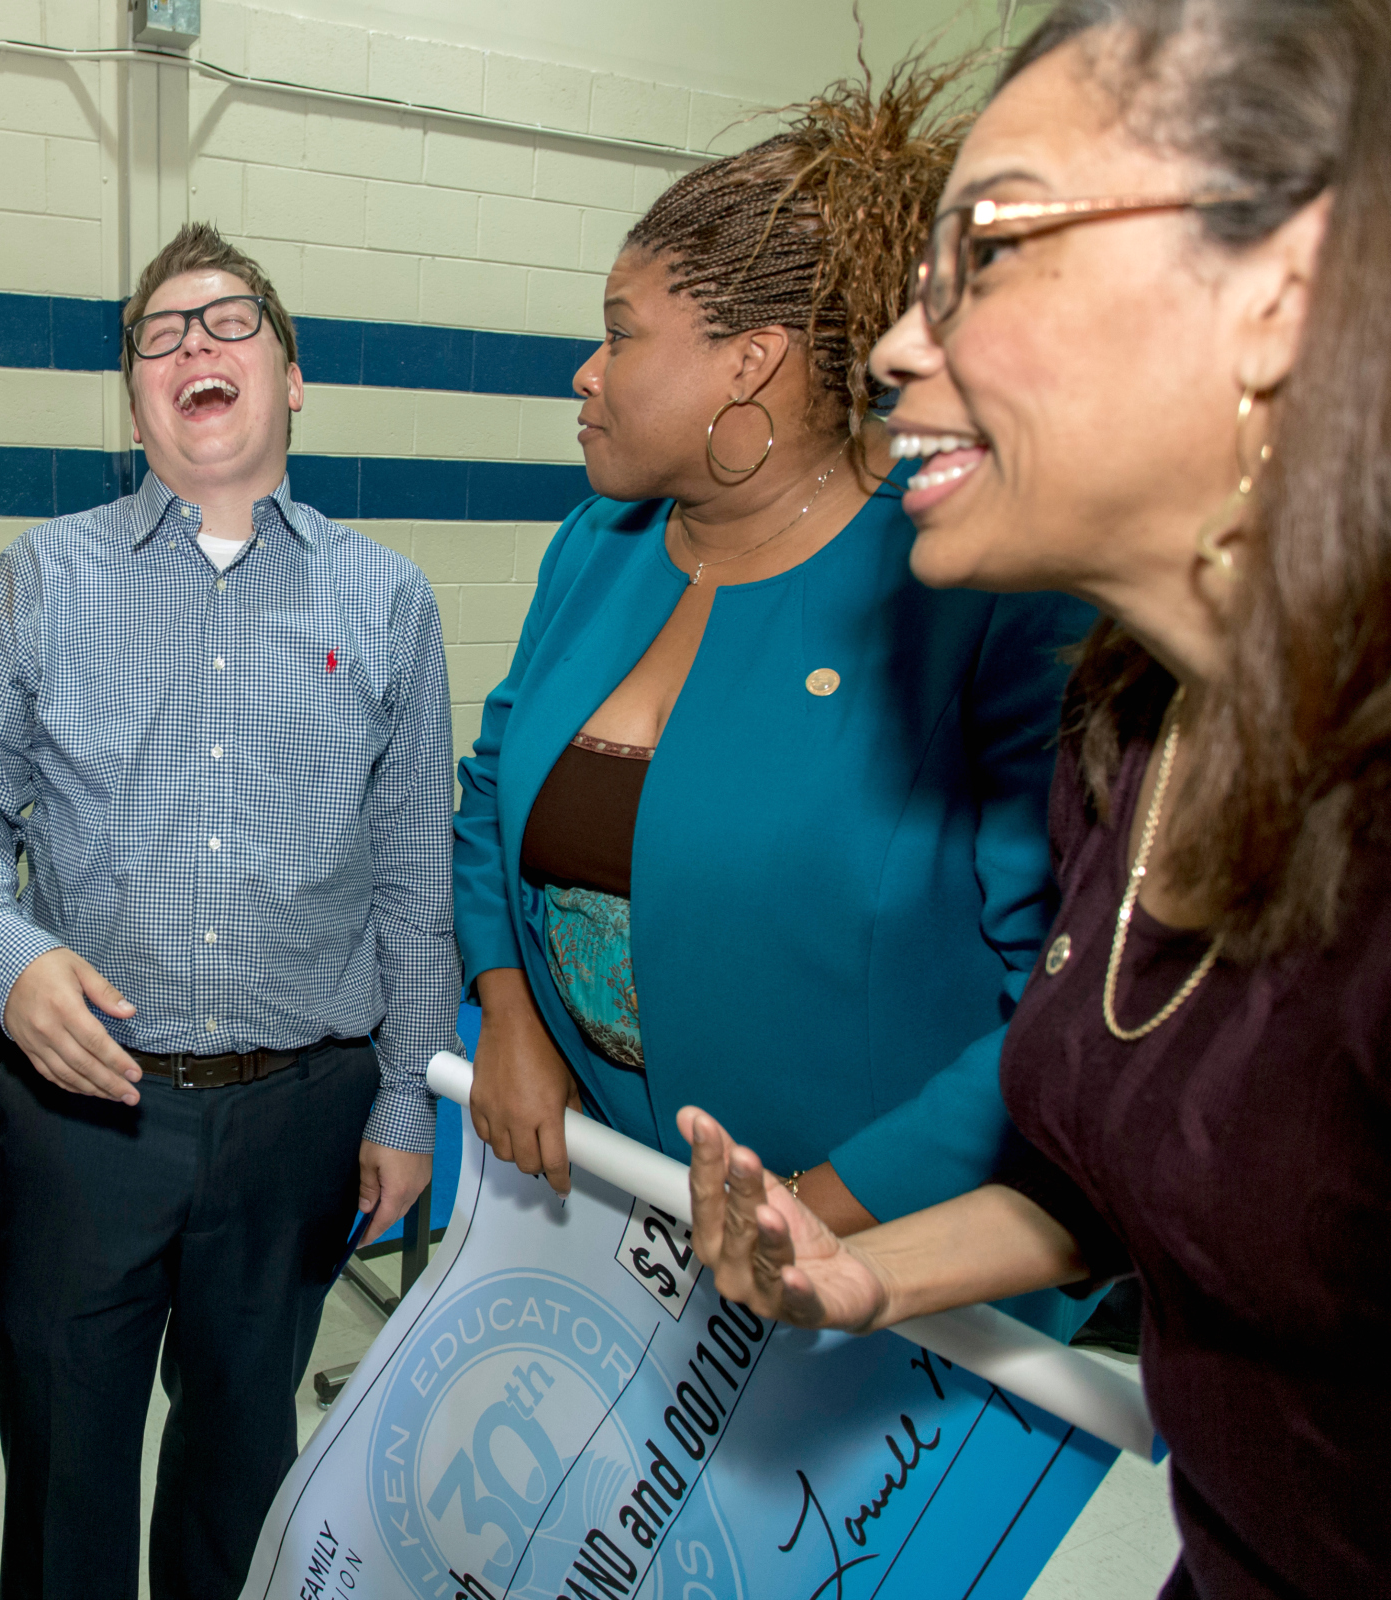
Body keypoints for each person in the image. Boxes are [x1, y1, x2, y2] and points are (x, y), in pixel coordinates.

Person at [684, 1, 1391, 1593]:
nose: (893, 347)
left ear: (1280, 294)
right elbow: (1129, 1180)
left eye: (990, 252)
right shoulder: (1130, 737)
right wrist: (858, 1279)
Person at [450, 68, 1099, 1335]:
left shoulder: (978, 592)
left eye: (622, 332)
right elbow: (488, 792)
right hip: (615, 1216)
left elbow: (1058, 1015)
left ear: (752, 362)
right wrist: (508, 1011)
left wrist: (815, 1211)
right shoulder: (601, 544)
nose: (586, 373)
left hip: (883, 1273)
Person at [0, 221, 457, 1600]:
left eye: (226, 324)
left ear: (290, 373)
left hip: (302, 1115)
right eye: (159, 334)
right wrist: (10, 955)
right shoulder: (46, 579)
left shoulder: (386, 601)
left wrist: (403, 1105)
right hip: (87, 1103)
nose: (192, 348)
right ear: (137, 394)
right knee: (63, 1469)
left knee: (239, 1471)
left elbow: (412, 876)